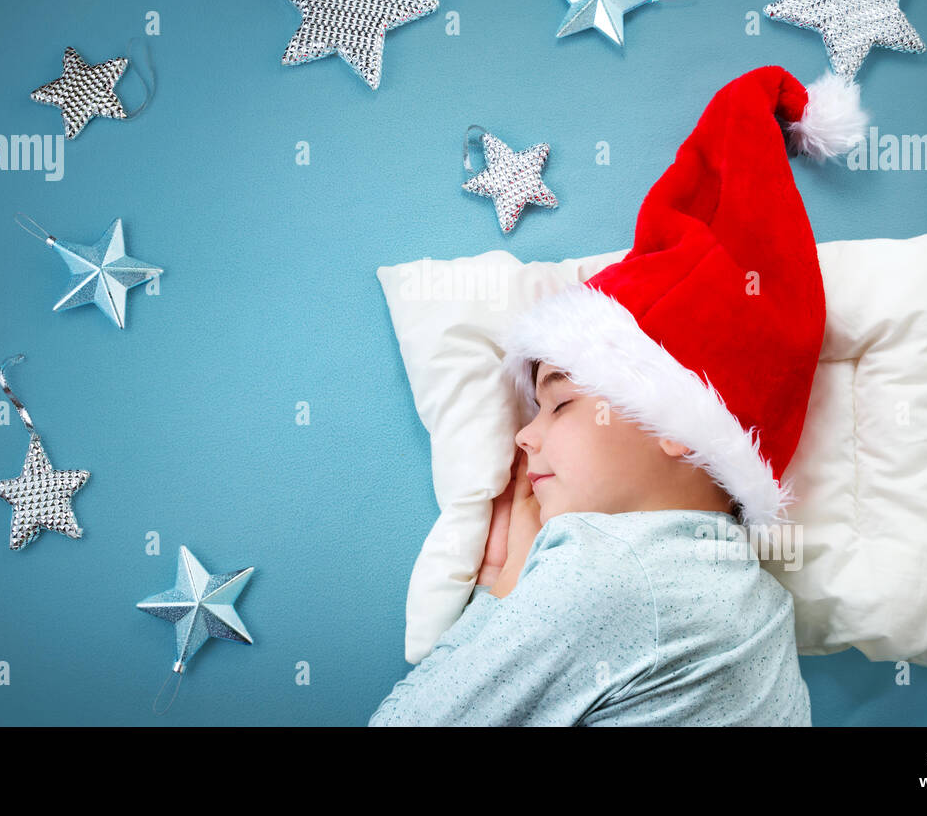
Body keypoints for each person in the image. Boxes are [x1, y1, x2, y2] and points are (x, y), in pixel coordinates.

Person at [369, 65, 867, 726]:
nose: (524, 434)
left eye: (561, 402)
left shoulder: (606, 575)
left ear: (680, 425)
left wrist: (506, 587)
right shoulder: (762, 608)